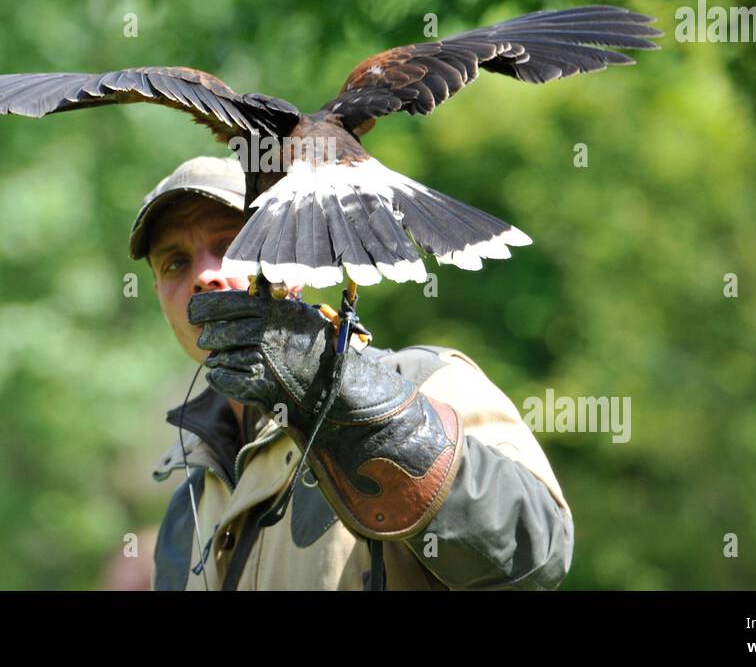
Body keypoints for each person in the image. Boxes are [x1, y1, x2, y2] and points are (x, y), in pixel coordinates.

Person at [133, 155, 574, 590]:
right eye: (175, 262)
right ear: (157, 292)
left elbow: (535, 554)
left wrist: (351, 402)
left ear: (291, 259)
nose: (205, 275)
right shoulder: (182, 516)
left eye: (230, 246)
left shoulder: (426, 381)